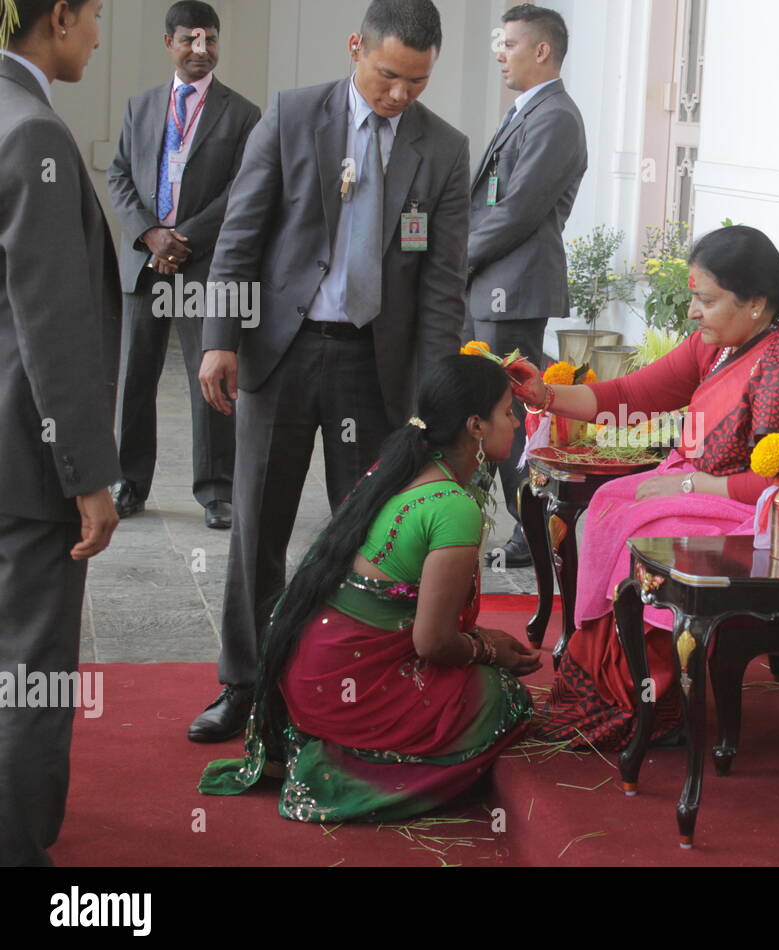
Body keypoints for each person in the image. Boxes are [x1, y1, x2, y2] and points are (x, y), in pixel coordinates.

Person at [191, 0, 470, 743]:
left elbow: (443, 285)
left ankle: (339, 688)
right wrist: (220, 336)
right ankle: (243, 687)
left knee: (366, 536)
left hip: (372, 363)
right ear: (356, 48)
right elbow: (240, 234)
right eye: (388, 75)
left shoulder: (442, 149)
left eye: (417, 81)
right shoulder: (290, 117)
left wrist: (439, 391)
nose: (400, 95)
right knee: (258, 527)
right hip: (281, 353)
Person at [510, 226, 779, 748]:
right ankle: (613, 685)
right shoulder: (723, 344)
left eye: (706, 300)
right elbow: (632, 394)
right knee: (609, 503)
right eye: (694, 297)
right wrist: (544, 394)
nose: (692, 312)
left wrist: (689, 484)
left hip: (765, 512)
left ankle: (658, 697)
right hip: (711, 485)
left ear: (756, 303)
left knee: (642, 526)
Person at [199, 356, 540, 822]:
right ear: (475, 425)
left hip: (306, 681)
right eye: (507, 411)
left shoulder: (397, 467)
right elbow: (432, 642)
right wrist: (487, 649)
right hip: (350, 695)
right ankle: (353, 767)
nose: (516, 420)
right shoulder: (453, 507)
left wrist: (479, 641)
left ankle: (338, 745)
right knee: (502, 697)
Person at [0, 0, 120, 866]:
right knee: (28, 671)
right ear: (61, 16)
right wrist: (86, 473)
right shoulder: (33, 132)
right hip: (23, 458)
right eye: (95, 15)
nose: (99, 35)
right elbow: (54, 326)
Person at [107, 1, 260, 530]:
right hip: (146, 263)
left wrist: (184, 239)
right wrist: (151, 234)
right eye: (190, 40)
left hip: (205, 265)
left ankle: (218, 491)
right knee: (135, 377)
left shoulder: (242, 114)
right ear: (169, 43)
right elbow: (119, 176)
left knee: (211, 377)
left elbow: (242, 190)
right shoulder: (141, 107)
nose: (201, 50)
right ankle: (128, 482)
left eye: (210, 40)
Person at [465, 3, 586, 570]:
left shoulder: (555, 116)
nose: (499, 53)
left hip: (511, 291)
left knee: (510, 417)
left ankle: (535, 528)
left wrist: (455, 261)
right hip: (493, 283)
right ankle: (516, 521)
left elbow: (517, 211)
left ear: (542, 50)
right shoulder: (529, 110)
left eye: (509, 43)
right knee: (490, 411)